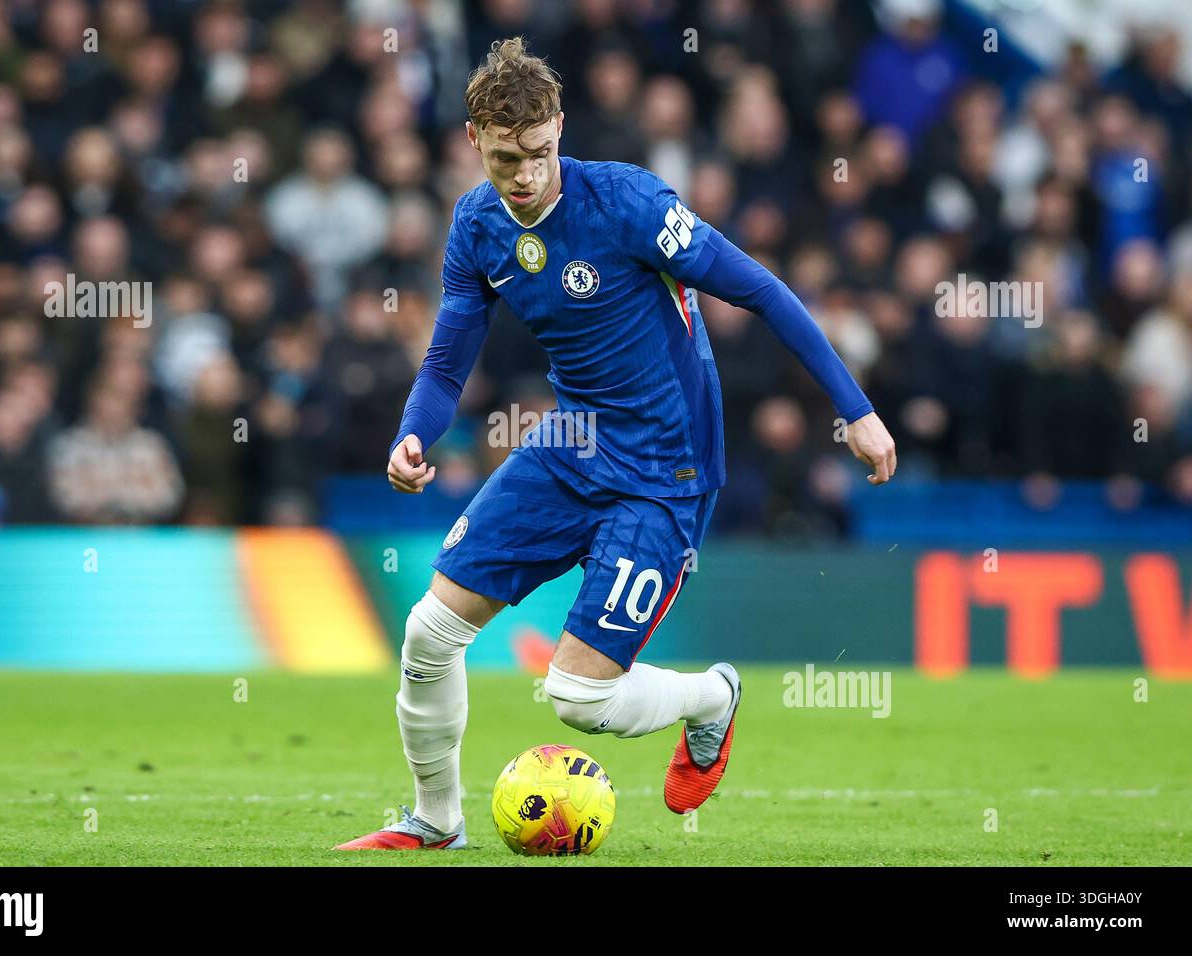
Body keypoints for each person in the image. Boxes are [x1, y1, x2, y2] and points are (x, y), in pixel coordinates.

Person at [337, 38, 896, 851]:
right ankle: (435, 820)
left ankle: (711, 697)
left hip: (665, 472)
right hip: (569, 448)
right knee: (429, 633)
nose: (523, 176)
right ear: (472, 143)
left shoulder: (629, 204)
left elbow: (764, 291)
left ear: (559, 128)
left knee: (576, 700)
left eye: (536, 153)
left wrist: (856, 409)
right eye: (503, 159)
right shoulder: (477, 225)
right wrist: (412, 436)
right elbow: (447, 358)